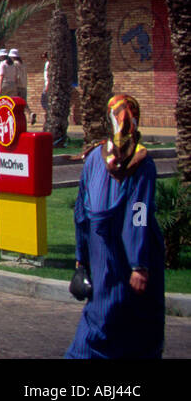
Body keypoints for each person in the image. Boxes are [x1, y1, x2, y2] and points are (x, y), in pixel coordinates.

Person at [66, 94, 164, 359]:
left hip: (119, 262)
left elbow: (137, 214)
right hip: (109, 260)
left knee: (127, 329)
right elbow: (84, 213)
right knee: (104, 326)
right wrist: (138, 264)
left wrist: (137, 264)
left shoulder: (136, 165)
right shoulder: (101, 161)